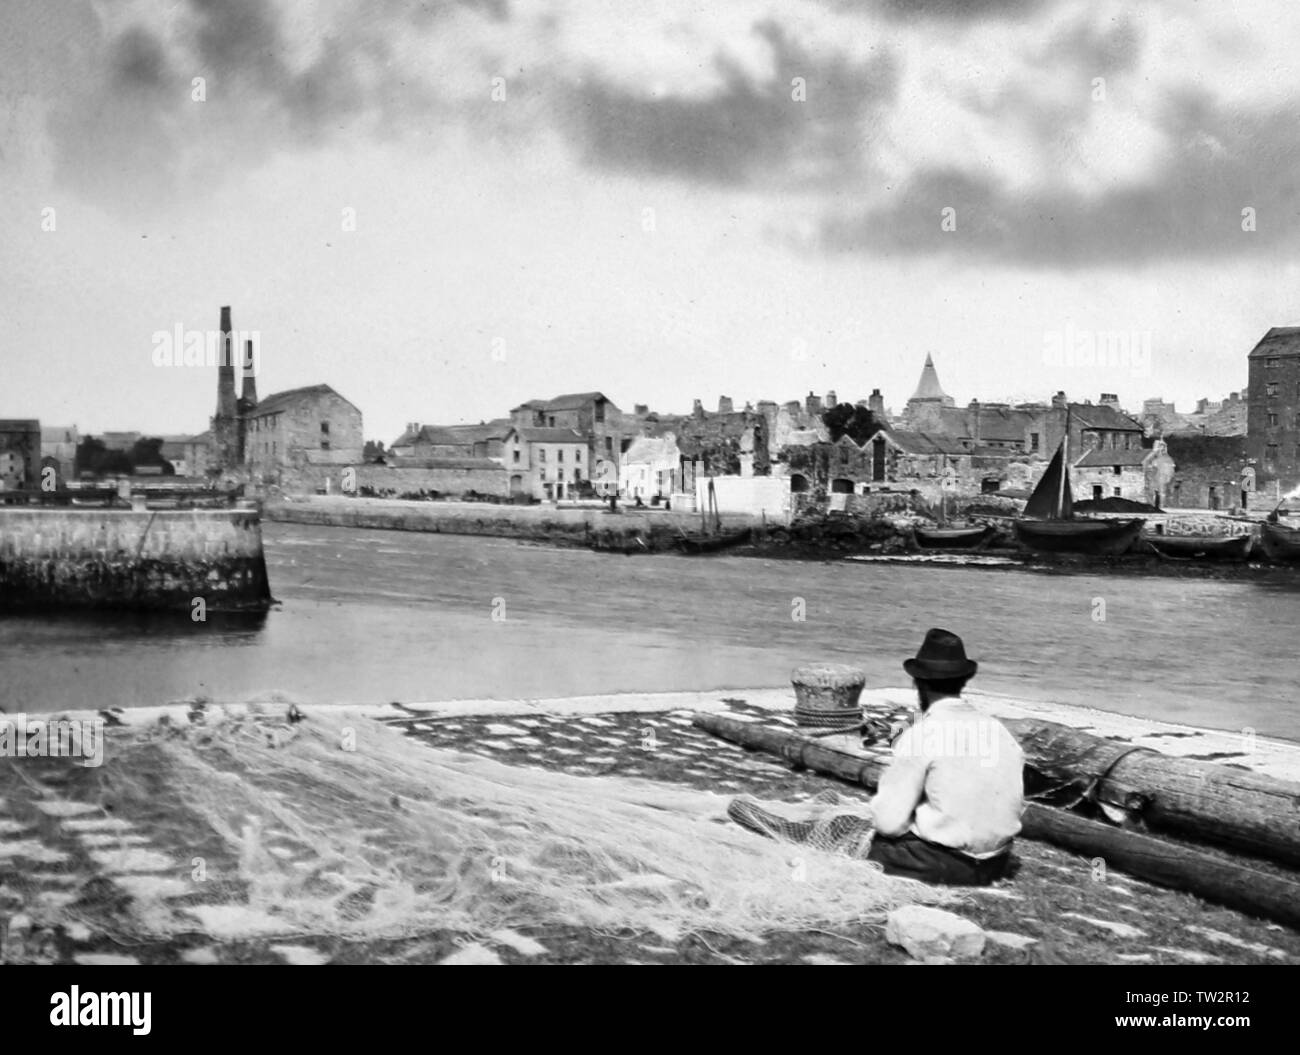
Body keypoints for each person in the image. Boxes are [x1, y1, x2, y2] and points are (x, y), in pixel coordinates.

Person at [728, 628, 1025, 886]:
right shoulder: (998, 731)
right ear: (963, 682)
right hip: (994, 863)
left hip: (939, 864)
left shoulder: (923, 734)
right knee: (874, 814)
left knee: (847, 829)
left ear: (918, 684)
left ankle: (780, 827)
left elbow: (888, 823)